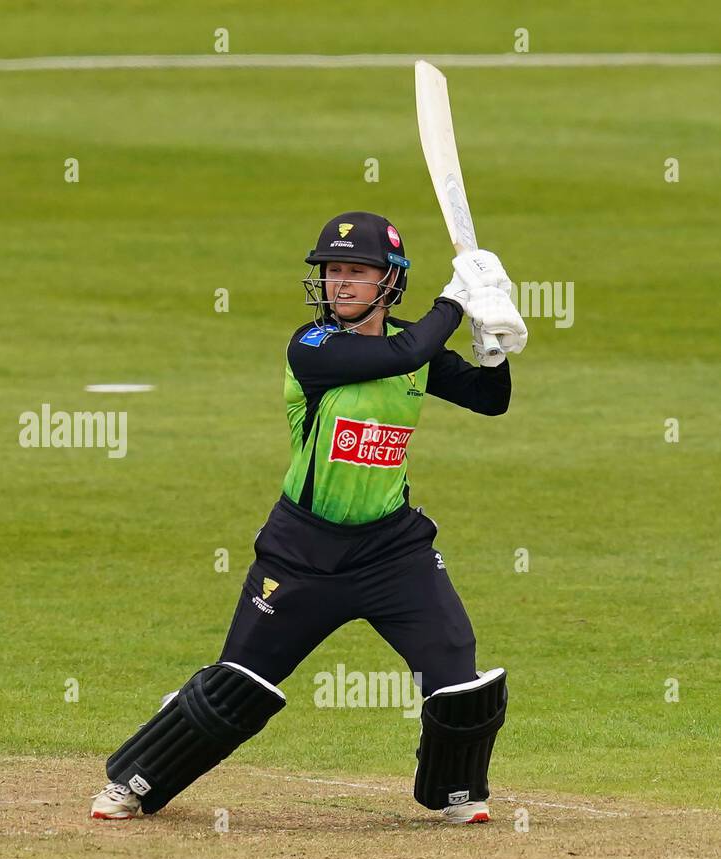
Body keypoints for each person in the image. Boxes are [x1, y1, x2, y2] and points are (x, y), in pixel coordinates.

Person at [91, 212, 528, 823]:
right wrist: (457, 301)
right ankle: (135, 780)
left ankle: (456, 791)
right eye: (333, 272)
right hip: (303, 554)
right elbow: (406, 350)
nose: (341, 283)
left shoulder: (415, 348)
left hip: (393, 551)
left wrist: (491, 349)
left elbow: (492, 401)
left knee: (459, 673)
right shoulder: (316, 347)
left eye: (357, 271)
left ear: (389, 282)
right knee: (239, 687)